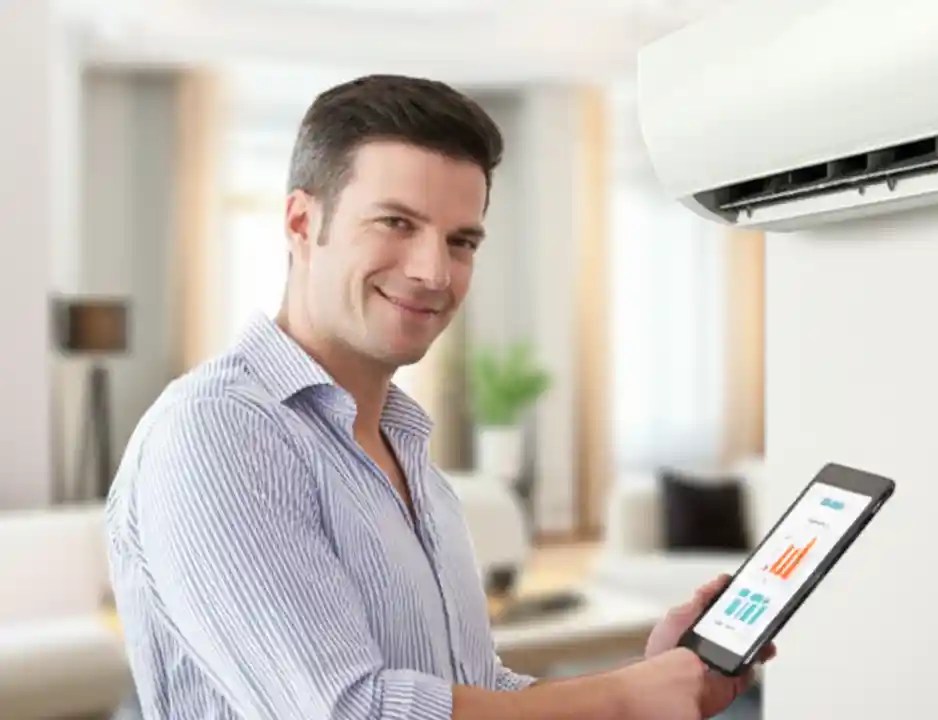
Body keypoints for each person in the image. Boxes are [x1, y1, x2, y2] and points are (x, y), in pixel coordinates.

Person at [104, 74, 771, 719]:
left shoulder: (410, 458)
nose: (434, 272)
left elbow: (471, 689)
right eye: (396, 222)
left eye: (461, 241)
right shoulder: (215, 431)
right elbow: (352, 714)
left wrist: (652, 679)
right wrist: (624, 700)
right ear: (302, 223)